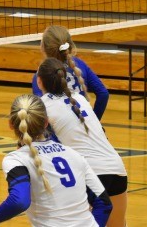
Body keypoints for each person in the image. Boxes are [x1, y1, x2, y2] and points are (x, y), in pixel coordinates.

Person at [0, 94, 109, 227]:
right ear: (46, 122)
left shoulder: (16, 159)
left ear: (11, 124)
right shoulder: (73, 154)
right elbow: (104, 203)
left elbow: (20, 201)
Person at [37, 58, 127, 227]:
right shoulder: (80, 98)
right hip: (116, 169)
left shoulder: (42, 106)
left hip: (90, 172)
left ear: (39, 81)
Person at [31, 25, 109, 120]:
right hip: (86, 123)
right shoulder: (79, 64)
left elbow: (41, 111)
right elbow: (103, 94)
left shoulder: (41, 75)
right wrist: (94, 120)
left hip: (62, 127)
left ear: (43, 48)